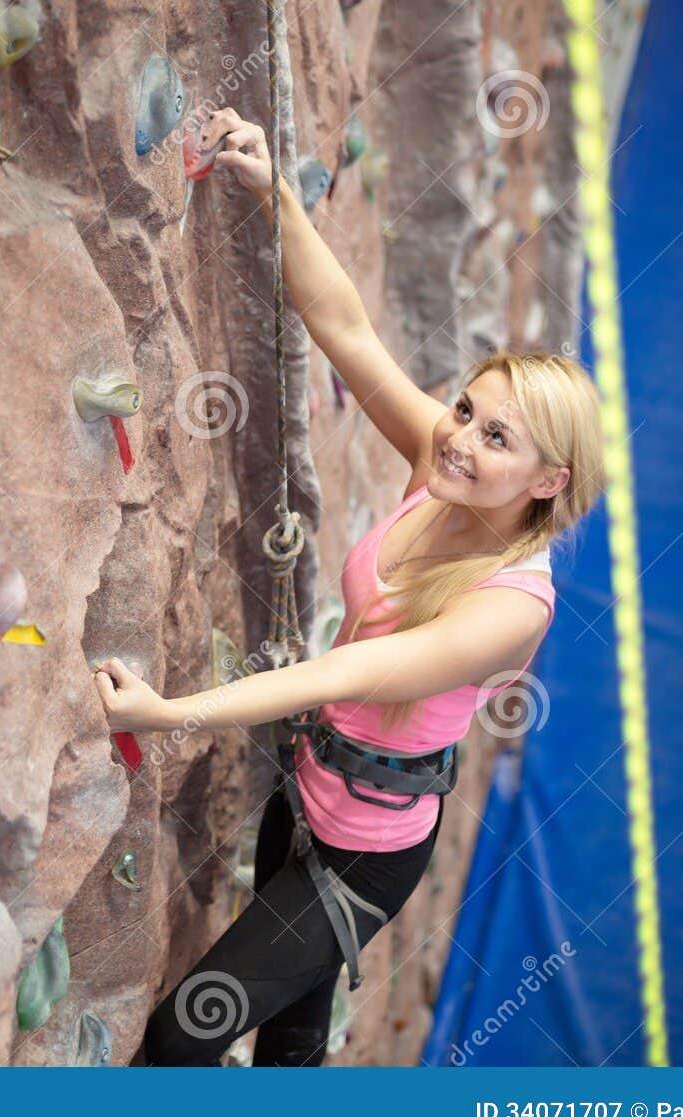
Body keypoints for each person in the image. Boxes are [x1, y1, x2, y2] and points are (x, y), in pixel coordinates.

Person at [92, 108, 607, 1066]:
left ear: (549, 482)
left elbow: (348, 674)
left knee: (178, 1033)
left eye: (498, 438)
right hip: (306, 791)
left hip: (367, 853)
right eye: (466, 409)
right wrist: (271, 186)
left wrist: (170, 713)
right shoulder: (439, 466)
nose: (459, 436)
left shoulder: (510, 606)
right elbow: (345, 328)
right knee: (289, 1045)